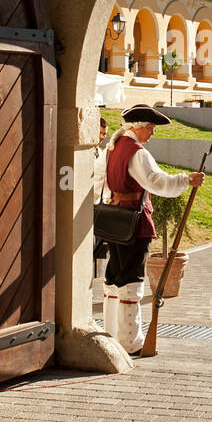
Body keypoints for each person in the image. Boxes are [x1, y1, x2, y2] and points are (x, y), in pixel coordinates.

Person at [102, 105, 204, 354]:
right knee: (131, 280)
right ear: (137, 127)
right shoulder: (136, 152)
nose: (152, 133)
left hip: (115, 219)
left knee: (114, 277)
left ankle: (111, 334)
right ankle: (130, 342)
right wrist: (186, 180)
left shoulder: (113, 148)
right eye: (150, 128)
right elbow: (157, 182)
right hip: (133, 223)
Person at [91, 117, 113, 329]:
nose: (101, 137)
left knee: (97, 250)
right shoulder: (86, 151)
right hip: (88, 207)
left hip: (99, 208)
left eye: (104, 135)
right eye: (99, 133)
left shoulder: (99, 151)